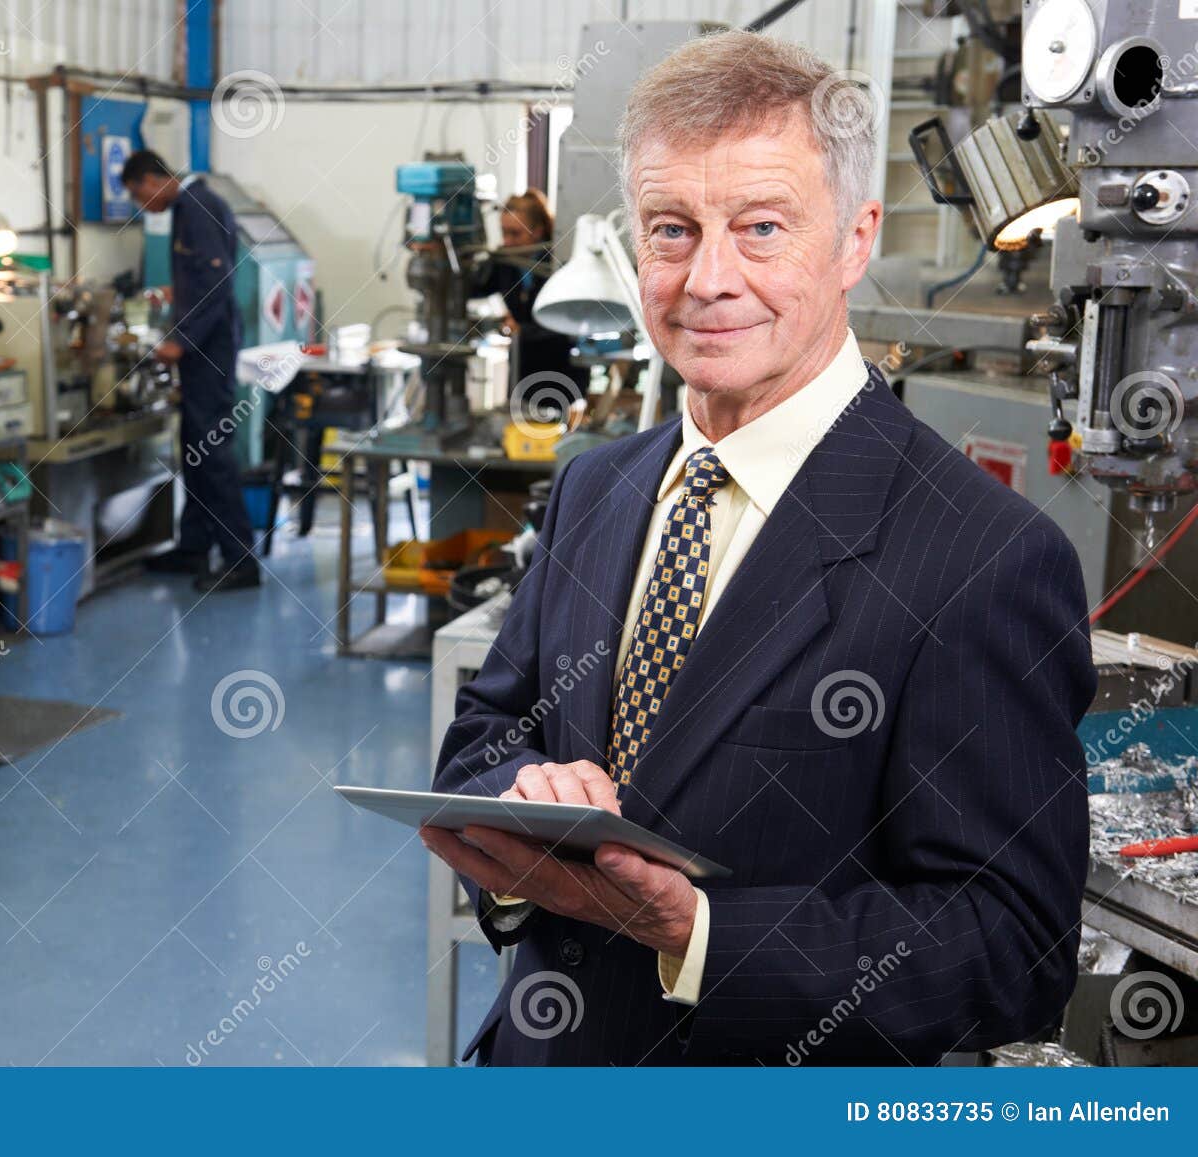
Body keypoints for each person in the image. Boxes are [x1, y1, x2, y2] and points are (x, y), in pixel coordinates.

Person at [424, 30, 1096, 1066]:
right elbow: (485, 729)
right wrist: (519, 808)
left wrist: (695, 933)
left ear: (854, 238)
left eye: (762, 227)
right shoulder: (595, 487)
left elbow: (1011, 946)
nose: (707, 279)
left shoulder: (979, 555)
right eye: (671, 229)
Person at [121, 149, 261, 593]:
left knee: (212, 453)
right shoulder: (189, 208)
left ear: (152, 180)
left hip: (210, 348)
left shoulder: (197, 207)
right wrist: (174, 290)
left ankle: (241, 560)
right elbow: (202, 277)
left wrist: (179, 342)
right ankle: (194, 546)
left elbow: (218, 285)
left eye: (138, 195)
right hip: (204, 346)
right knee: (194, 450)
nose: (143, 206)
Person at [486, 189, 579, 417]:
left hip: (559, 368)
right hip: (521, 368)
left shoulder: (560, 264)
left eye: (515, 234)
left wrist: (522, 329)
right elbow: (473, 286)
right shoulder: (505, 263)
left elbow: (567, 323)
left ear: (537, 232)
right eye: (503, 232)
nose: (507, 242)